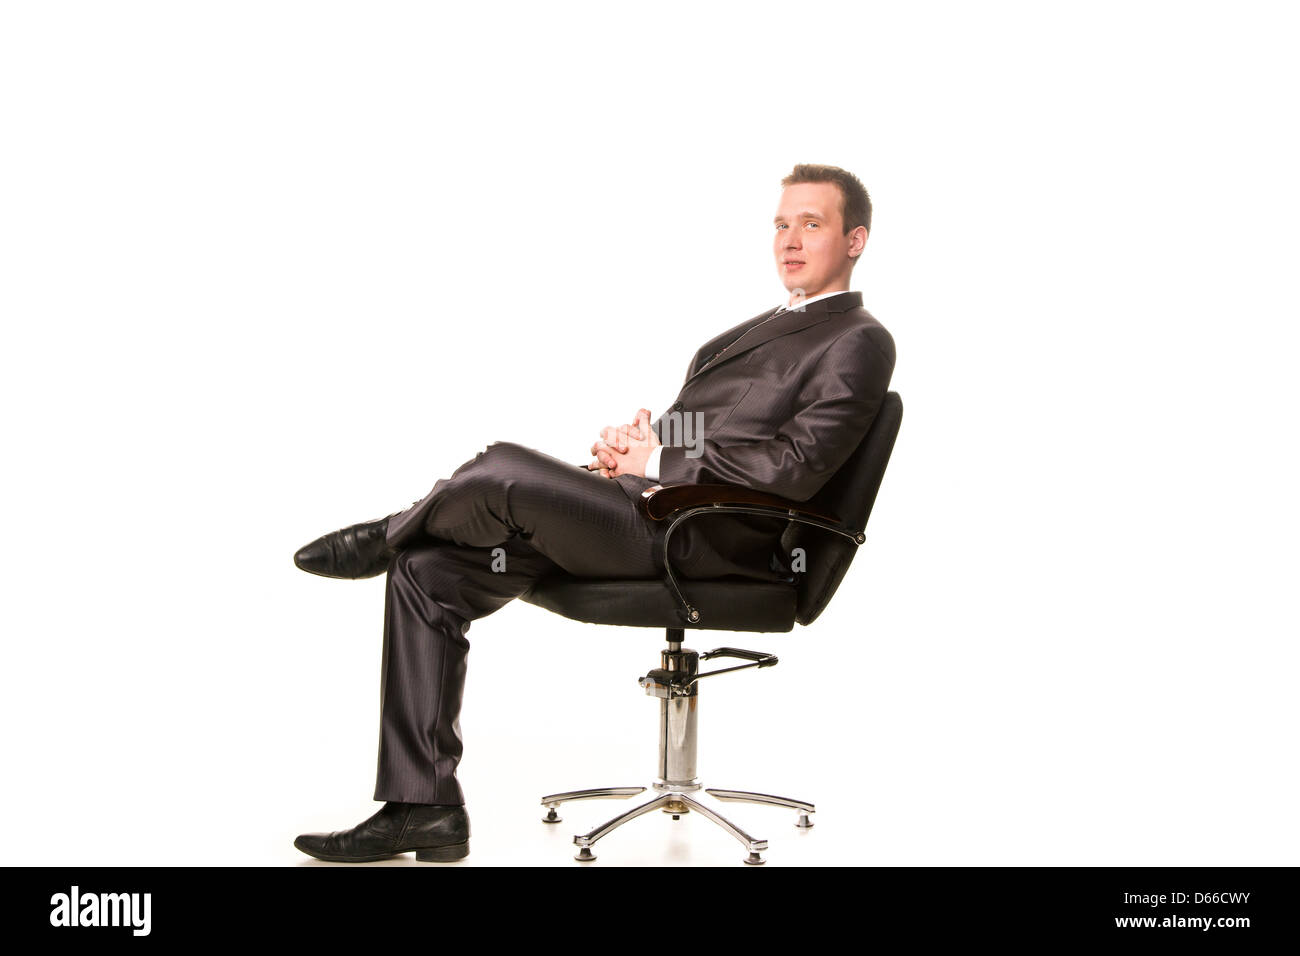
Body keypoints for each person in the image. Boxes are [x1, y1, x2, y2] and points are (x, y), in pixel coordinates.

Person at [291, 163, 896, 862]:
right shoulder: (757, 330)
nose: (789, 240)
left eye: (811, 224)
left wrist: (660, 466)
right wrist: (643, 444)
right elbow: (717, 436)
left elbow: (794, 469)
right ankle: (420, 808)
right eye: (781, 224)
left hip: (707, 540)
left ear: (854, 240)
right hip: (654, 509)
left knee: (498, 468)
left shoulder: (857, 340)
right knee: (430, 572)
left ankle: (385, 536)